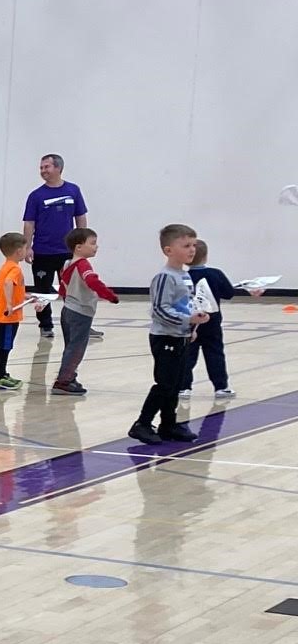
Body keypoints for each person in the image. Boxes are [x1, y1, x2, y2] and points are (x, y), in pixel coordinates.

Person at [130, 224, 209, 445]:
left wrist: (194, 322)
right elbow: (160, 310)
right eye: (186, 245)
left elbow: (185, 305)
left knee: (176, 383)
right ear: (168, 250)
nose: (192, 250)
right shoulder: (165, 277)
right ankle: (142, 424)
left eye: (193, 245)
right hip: (165, 337)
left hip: (180, 336)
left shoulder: (184, 275)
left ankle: (169, 423)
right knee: (164, 383)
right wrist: (187, 320)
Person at [185, 238, 261, 401]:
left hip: (189, 322)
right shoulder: (215, 274)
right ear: (206, 256)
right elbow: (228, 293)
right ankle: (221, 387)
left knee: (188, 354)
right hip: (212, 322)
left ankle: (184, 387)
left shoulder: (182, 276)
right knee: (215, 353)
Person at [22, 153, 88, 339]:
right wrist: (28, 247)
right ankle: (45, 325)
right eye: (41, 167)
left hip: (67, 252)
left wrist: (82, 243)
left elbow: (80, 217)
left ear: (58, 168)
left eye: (47, 167)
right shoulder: (36, 196)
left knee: (73, 291)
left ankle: (77, 326)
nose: (43, 171)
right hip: (43, 252)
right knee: (42, 291)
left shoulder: (73, 191)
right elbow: (29, 223)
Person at [51, 227, 118, 397]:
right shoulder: (83, 264)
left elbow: (63, 288)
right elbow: (92, 281)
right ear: (78, 247)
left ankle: (70, 376)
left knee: (70, 346)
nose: (96, 247)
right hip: (80, 312)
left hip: (68, 310)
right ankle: (63, 381)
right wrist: (110, 296)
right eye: (93, 243)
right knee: (77, 348)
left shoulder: (67, 264)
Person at [0, 232, 30, 390]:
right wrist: (9, 304)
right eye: (26, 248)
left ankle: (3, 373)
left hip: (2, 314)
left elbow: (12, 287)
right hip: (7, 316)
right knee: (5, 347)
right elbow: (8, 283)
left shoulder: (6, 266)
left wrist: (26, 295)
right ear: (19, 251)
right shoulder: (14, 269)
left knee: (4, 346)